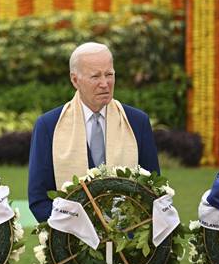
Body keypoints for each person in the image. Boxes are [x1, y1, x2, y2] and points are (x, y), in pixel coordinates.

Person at [27, 43, 160, 222]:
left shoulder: (137, 122)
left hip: (128, 241)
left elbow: (154, 191)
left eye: (109, 74)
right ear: (75, 80)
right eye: (95, 76)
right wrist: (75, 230)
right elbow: (39, 199)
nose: (105, 84)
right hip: (70, 242)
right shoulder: (48, 125)